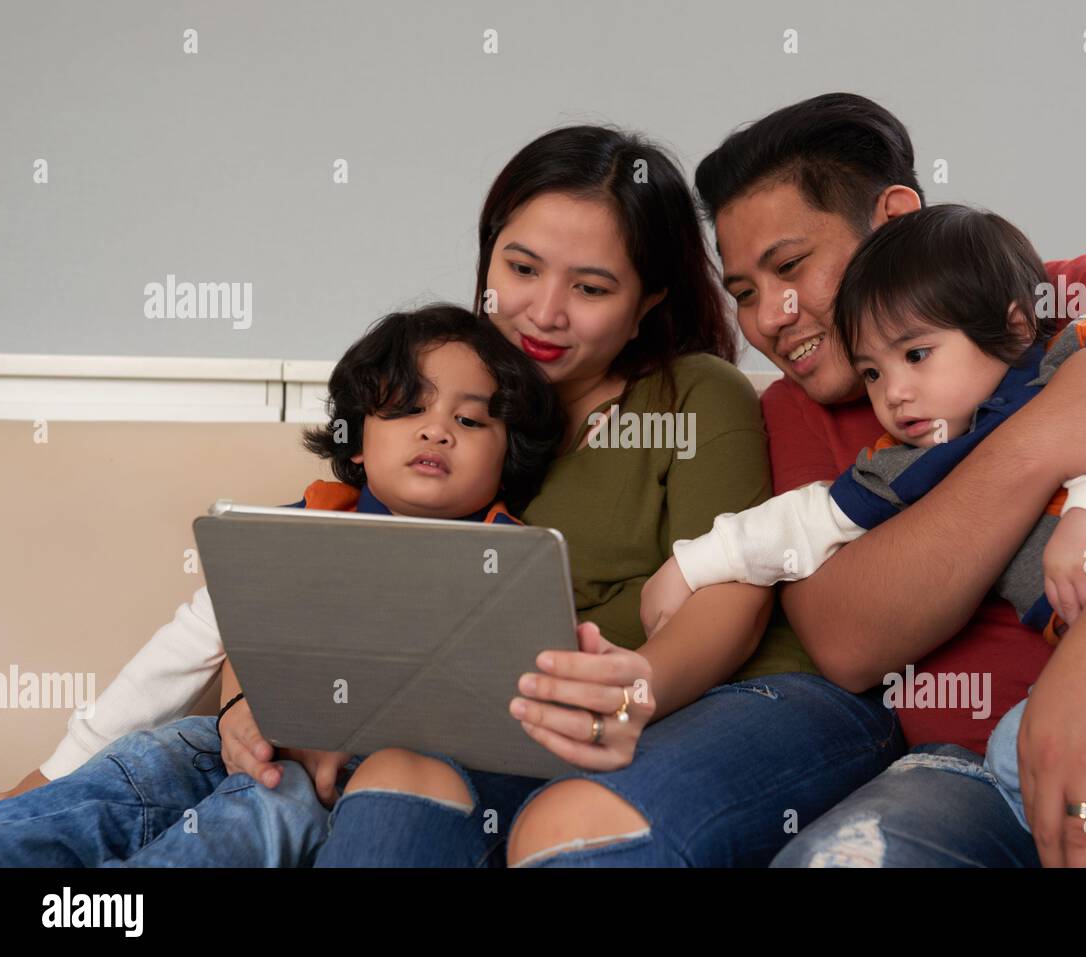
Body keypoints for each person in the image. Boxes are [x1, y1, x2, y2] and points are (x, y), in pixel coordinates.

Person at [692, 91, 1086, 867]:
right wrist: (1045, 434)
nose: (772, 316)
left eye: (791, 266)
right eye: (743, 293)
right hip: (973, 770)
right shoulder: (791, 411)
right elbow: (848, 639)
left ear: (894, 216)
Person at [311, 125, 902, 868]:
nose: (544, 313)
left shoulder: (695, 395)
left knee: (571, 826)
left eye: (590, 288)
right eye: (521, 268)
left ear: (648, 299)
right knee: (397, 775)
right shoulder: (449, 411)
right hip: (535, 721)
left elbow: (731, 596)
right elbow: (308, 557)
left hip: (748, 694)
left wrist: (635, 691)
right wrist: (261, 706)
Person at [0, 305, 563, 866]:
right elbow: (183, 651)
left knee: (268, 808)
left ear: (506, 458)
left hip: (331, 786)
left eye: (469, 421)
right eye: (407, 408)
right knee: (150, 756)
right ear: (359, 440)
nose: (436, 430)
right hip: (223, 746)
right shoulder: (296, 527)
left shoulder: (510, 559)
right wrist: (54, 773)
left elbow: (500, 708)